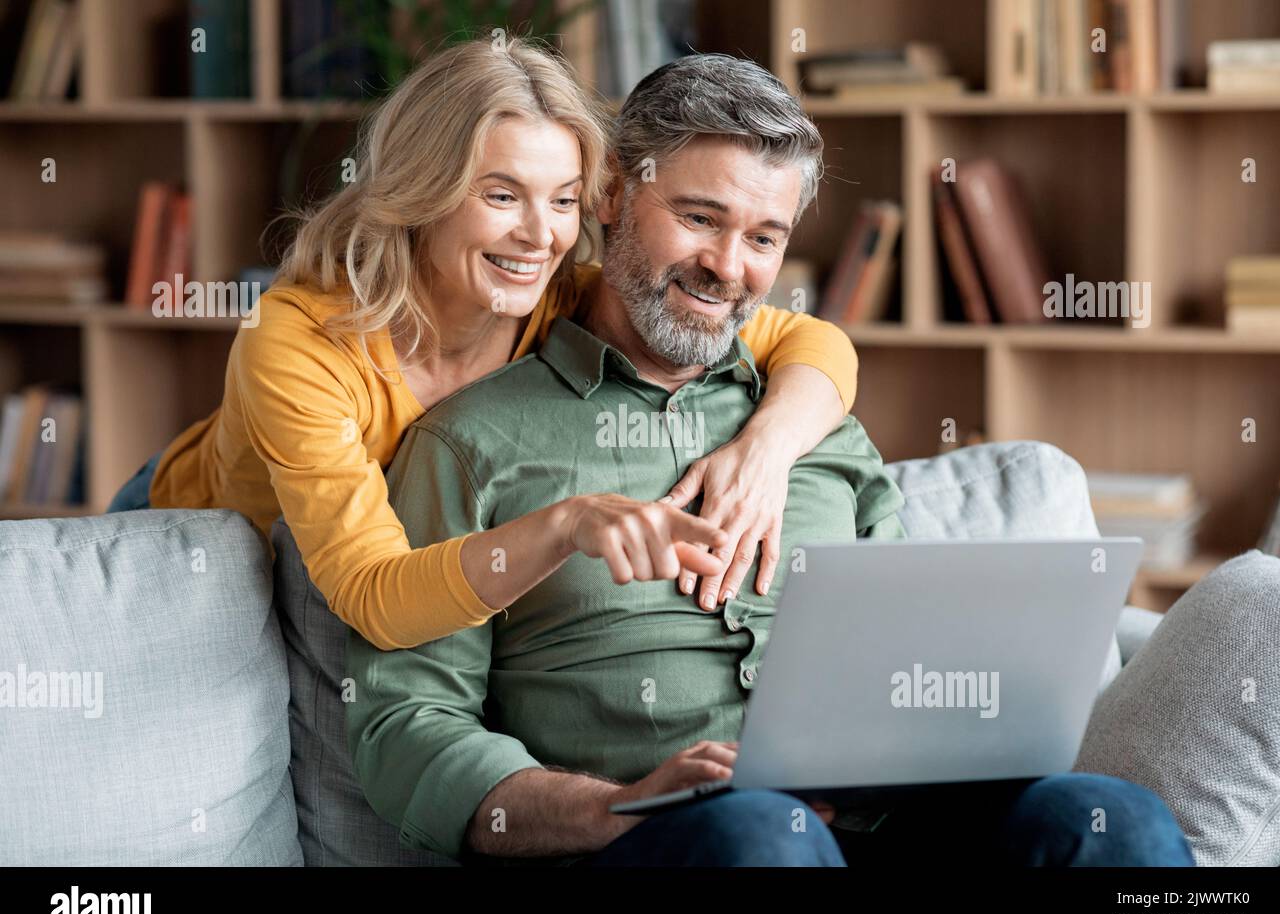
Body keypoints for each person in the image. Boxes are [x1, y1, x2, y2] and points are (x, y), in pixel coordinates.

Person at [346, 53, 1195, 867]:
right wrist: (618, 805)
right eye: (699, 219)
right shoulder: (468, 445)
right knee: (764, 834)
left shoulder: (816, 425)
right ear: (611, 194)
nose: (727, 267)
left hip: (885, 829)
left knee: (1111, 819)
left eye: (763, 237)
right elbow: (407, 727)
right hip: (665, 846)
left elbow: (914, 656)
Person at [106, 36, 861, 651]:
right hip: (187, 540)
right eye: (501, 195)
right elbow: (372, 595)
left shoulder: (557, 293)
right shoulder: (301, 339)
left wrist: (764, 452)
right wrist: (568, 523)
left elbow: (814, 341)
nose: (540, 236)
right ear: (421, 191)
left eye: (562, 200)